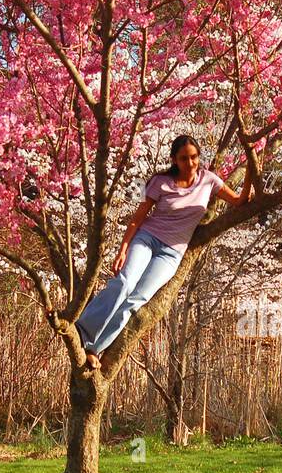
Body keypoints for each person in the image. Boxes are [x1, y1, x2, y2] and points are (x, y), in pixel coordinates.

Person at [75, 135, 251, 369]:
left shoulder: (209, 180)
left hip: (171, 253)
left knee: (137, 300)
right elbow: (137, 219)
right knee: (125, 283)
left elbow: (239, 201)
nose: (190, 163)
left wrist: (251, 169)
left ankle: (95, 349)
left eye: (194, 157)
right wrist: (123, 248)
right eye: (184, 158)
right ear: (174, 160)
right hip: (147, 239)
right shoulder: (160, 181)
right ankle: (83, 330)